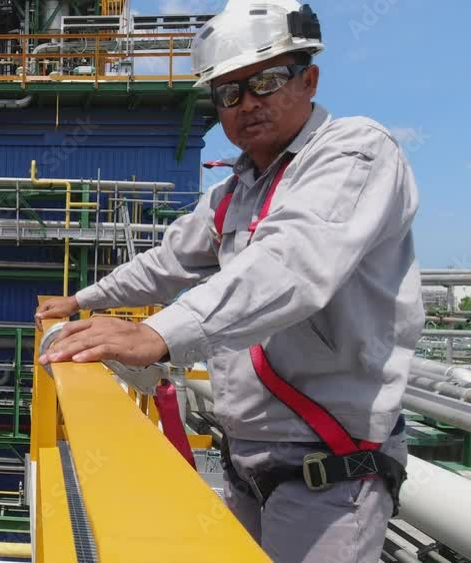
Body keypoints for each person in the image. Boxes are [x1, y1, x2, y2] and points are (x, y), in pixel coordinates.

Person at [35, 2, 424, 562]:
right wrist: (82, 299)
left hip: (331, 474)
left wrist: (159, 336)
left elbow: (293, 264)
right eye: (229, 93)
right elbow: (166, 263)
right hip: (248, 465)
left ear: (308, 78)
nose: (248, 104)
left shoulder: (355, 153)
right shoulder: (233, 193)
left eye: (264, 81)